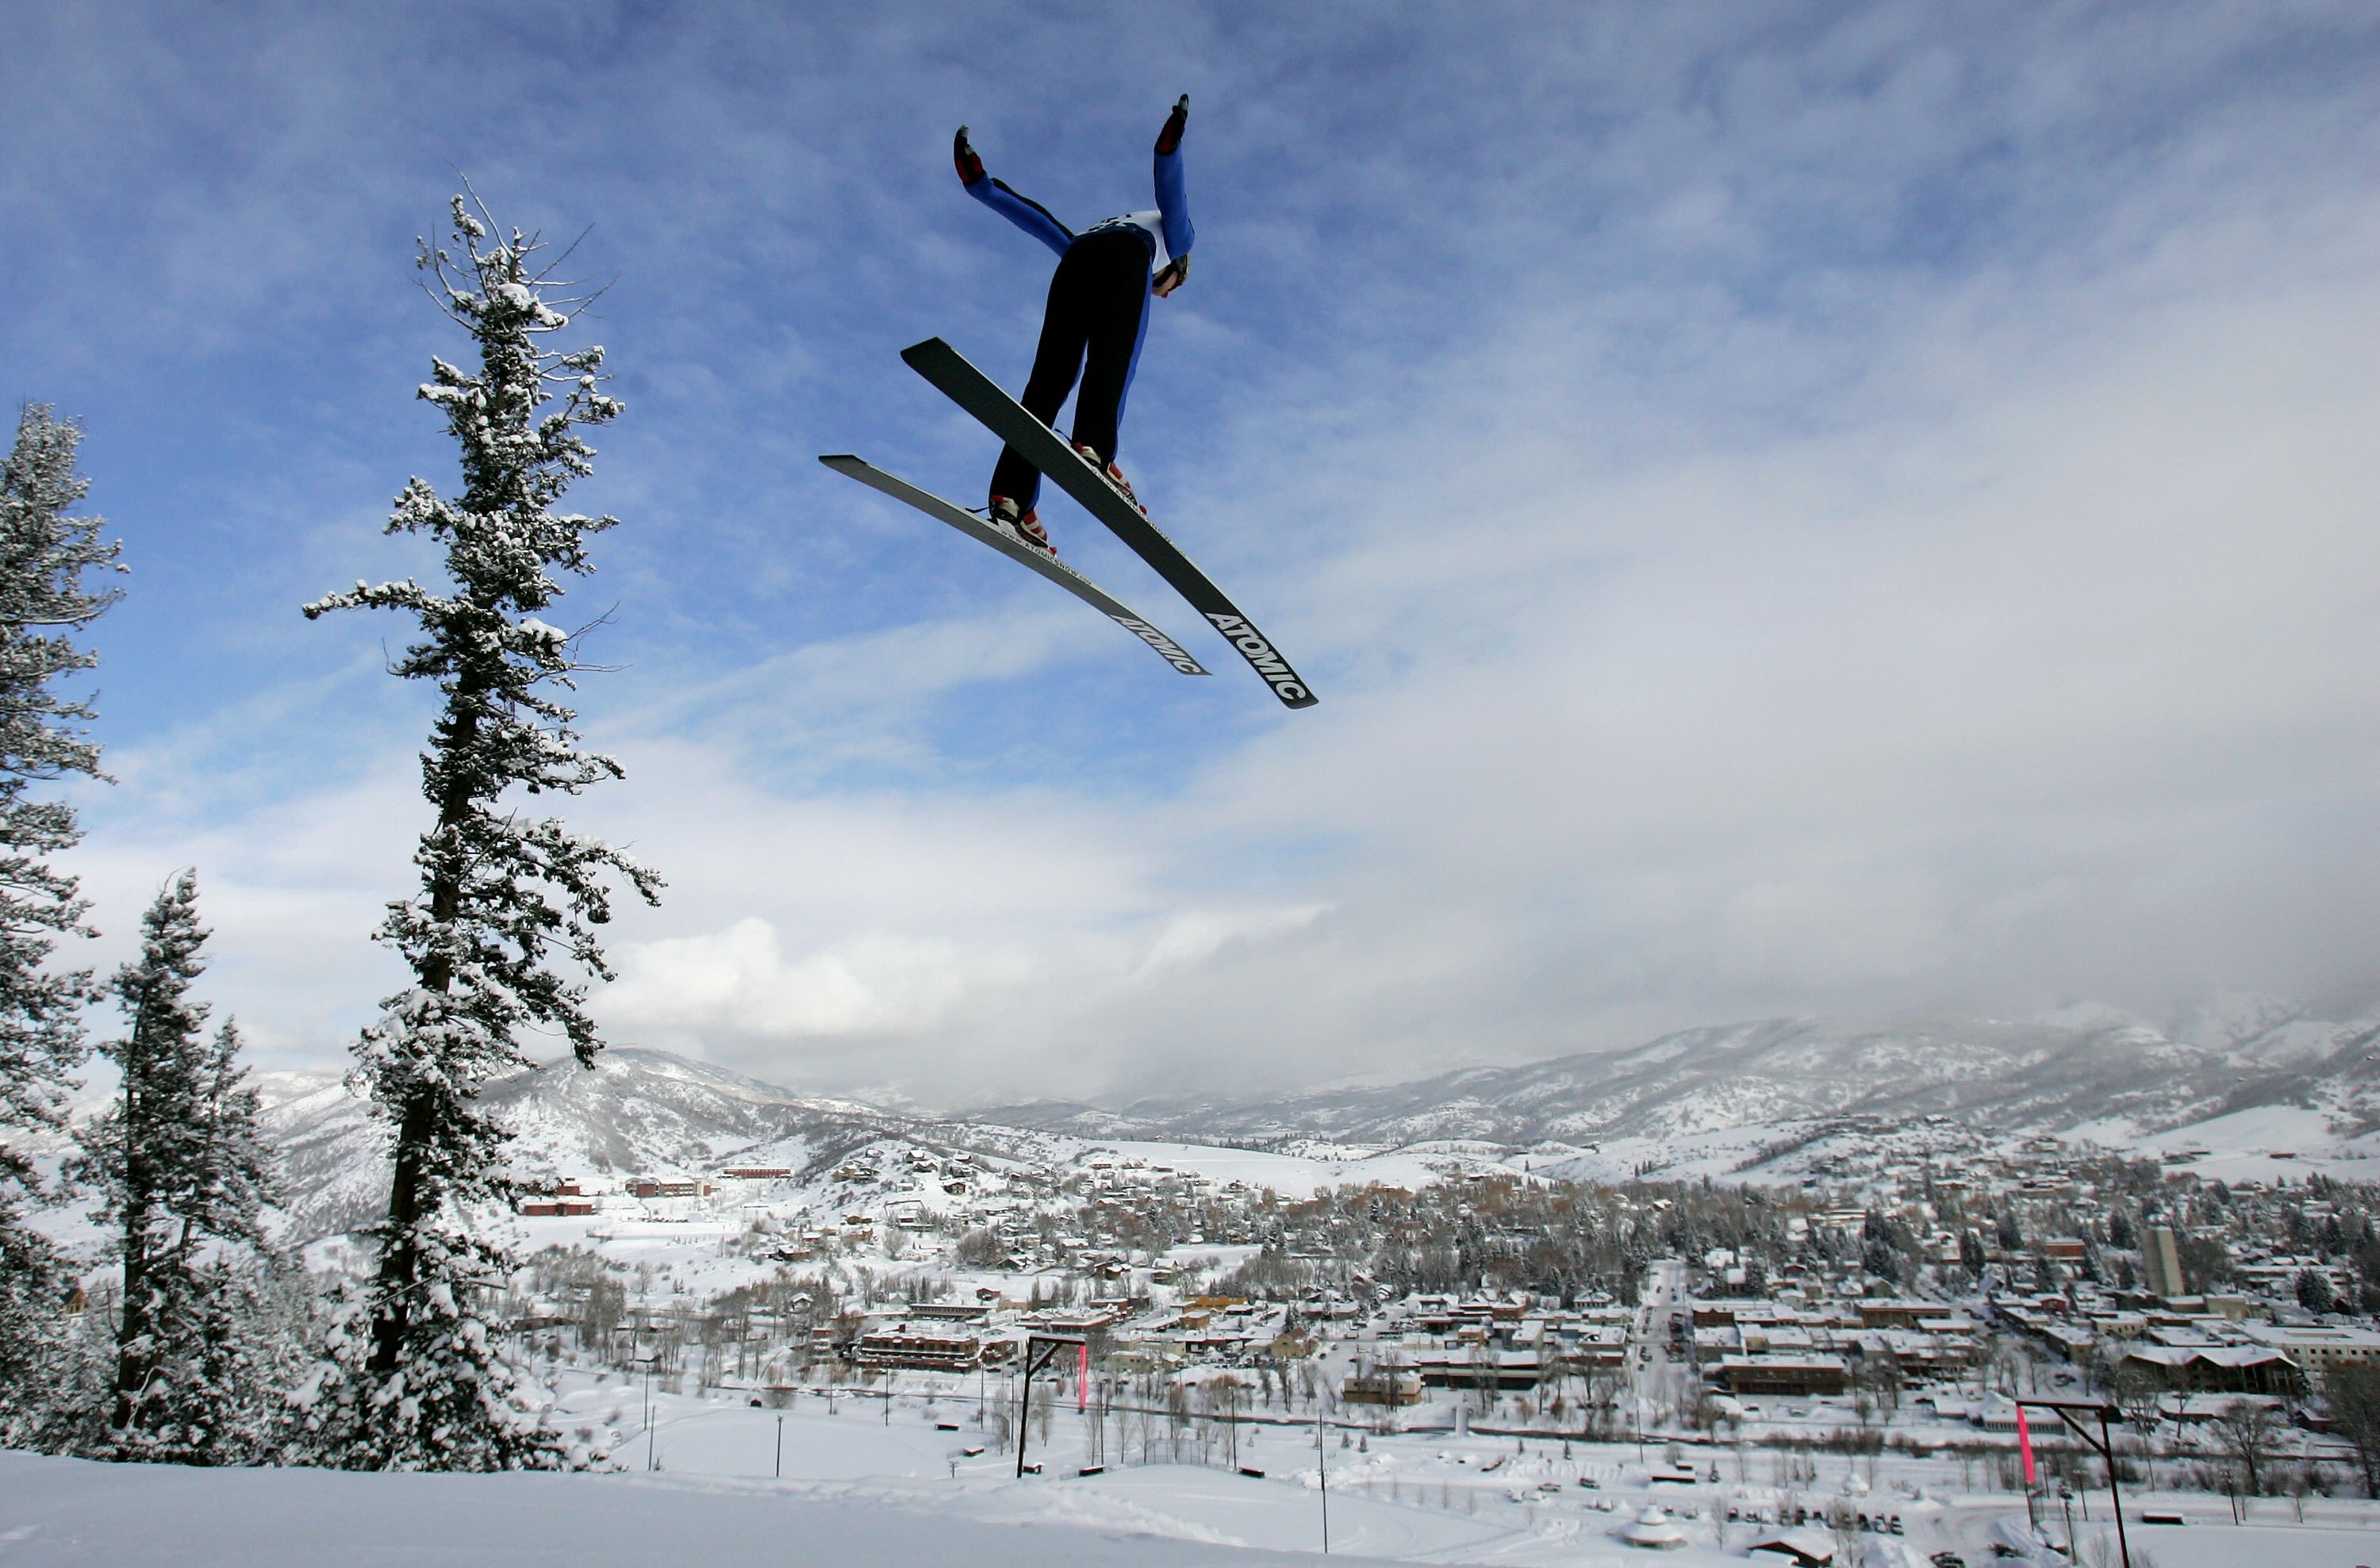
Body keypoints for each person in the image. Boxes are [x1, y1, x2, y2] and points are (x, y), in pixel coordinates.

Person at [954, 95, 1193, 556]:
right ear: (1176, 269)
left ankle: (1011, 499)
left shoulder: (1092, 235)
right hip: (1125, 259)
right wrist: (1169, 146)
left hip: (1074, 264)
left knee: (1048, 378)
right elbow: (1172, 196)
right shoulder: (1170, 241)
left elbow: (1041, 224)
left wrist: (981, 186)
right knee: (1115, 352)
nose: (1161, 295)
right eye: (1168, 290)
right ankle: (1095, 448)